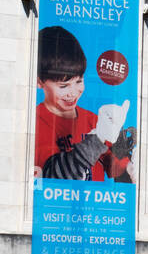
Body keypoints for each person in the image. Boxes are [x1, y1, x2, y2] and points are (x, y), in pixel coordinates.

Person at [34, 26, 133, 182]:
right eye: (63, 85)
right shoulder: (36, 123)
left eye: (79, 81)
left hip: (94, 204)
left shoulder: (92, 119)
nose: (73, 92)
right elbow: (56, 175)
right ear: (39, 81)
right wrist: (99, 138)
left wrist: (129, 169)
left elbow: (116, 164)